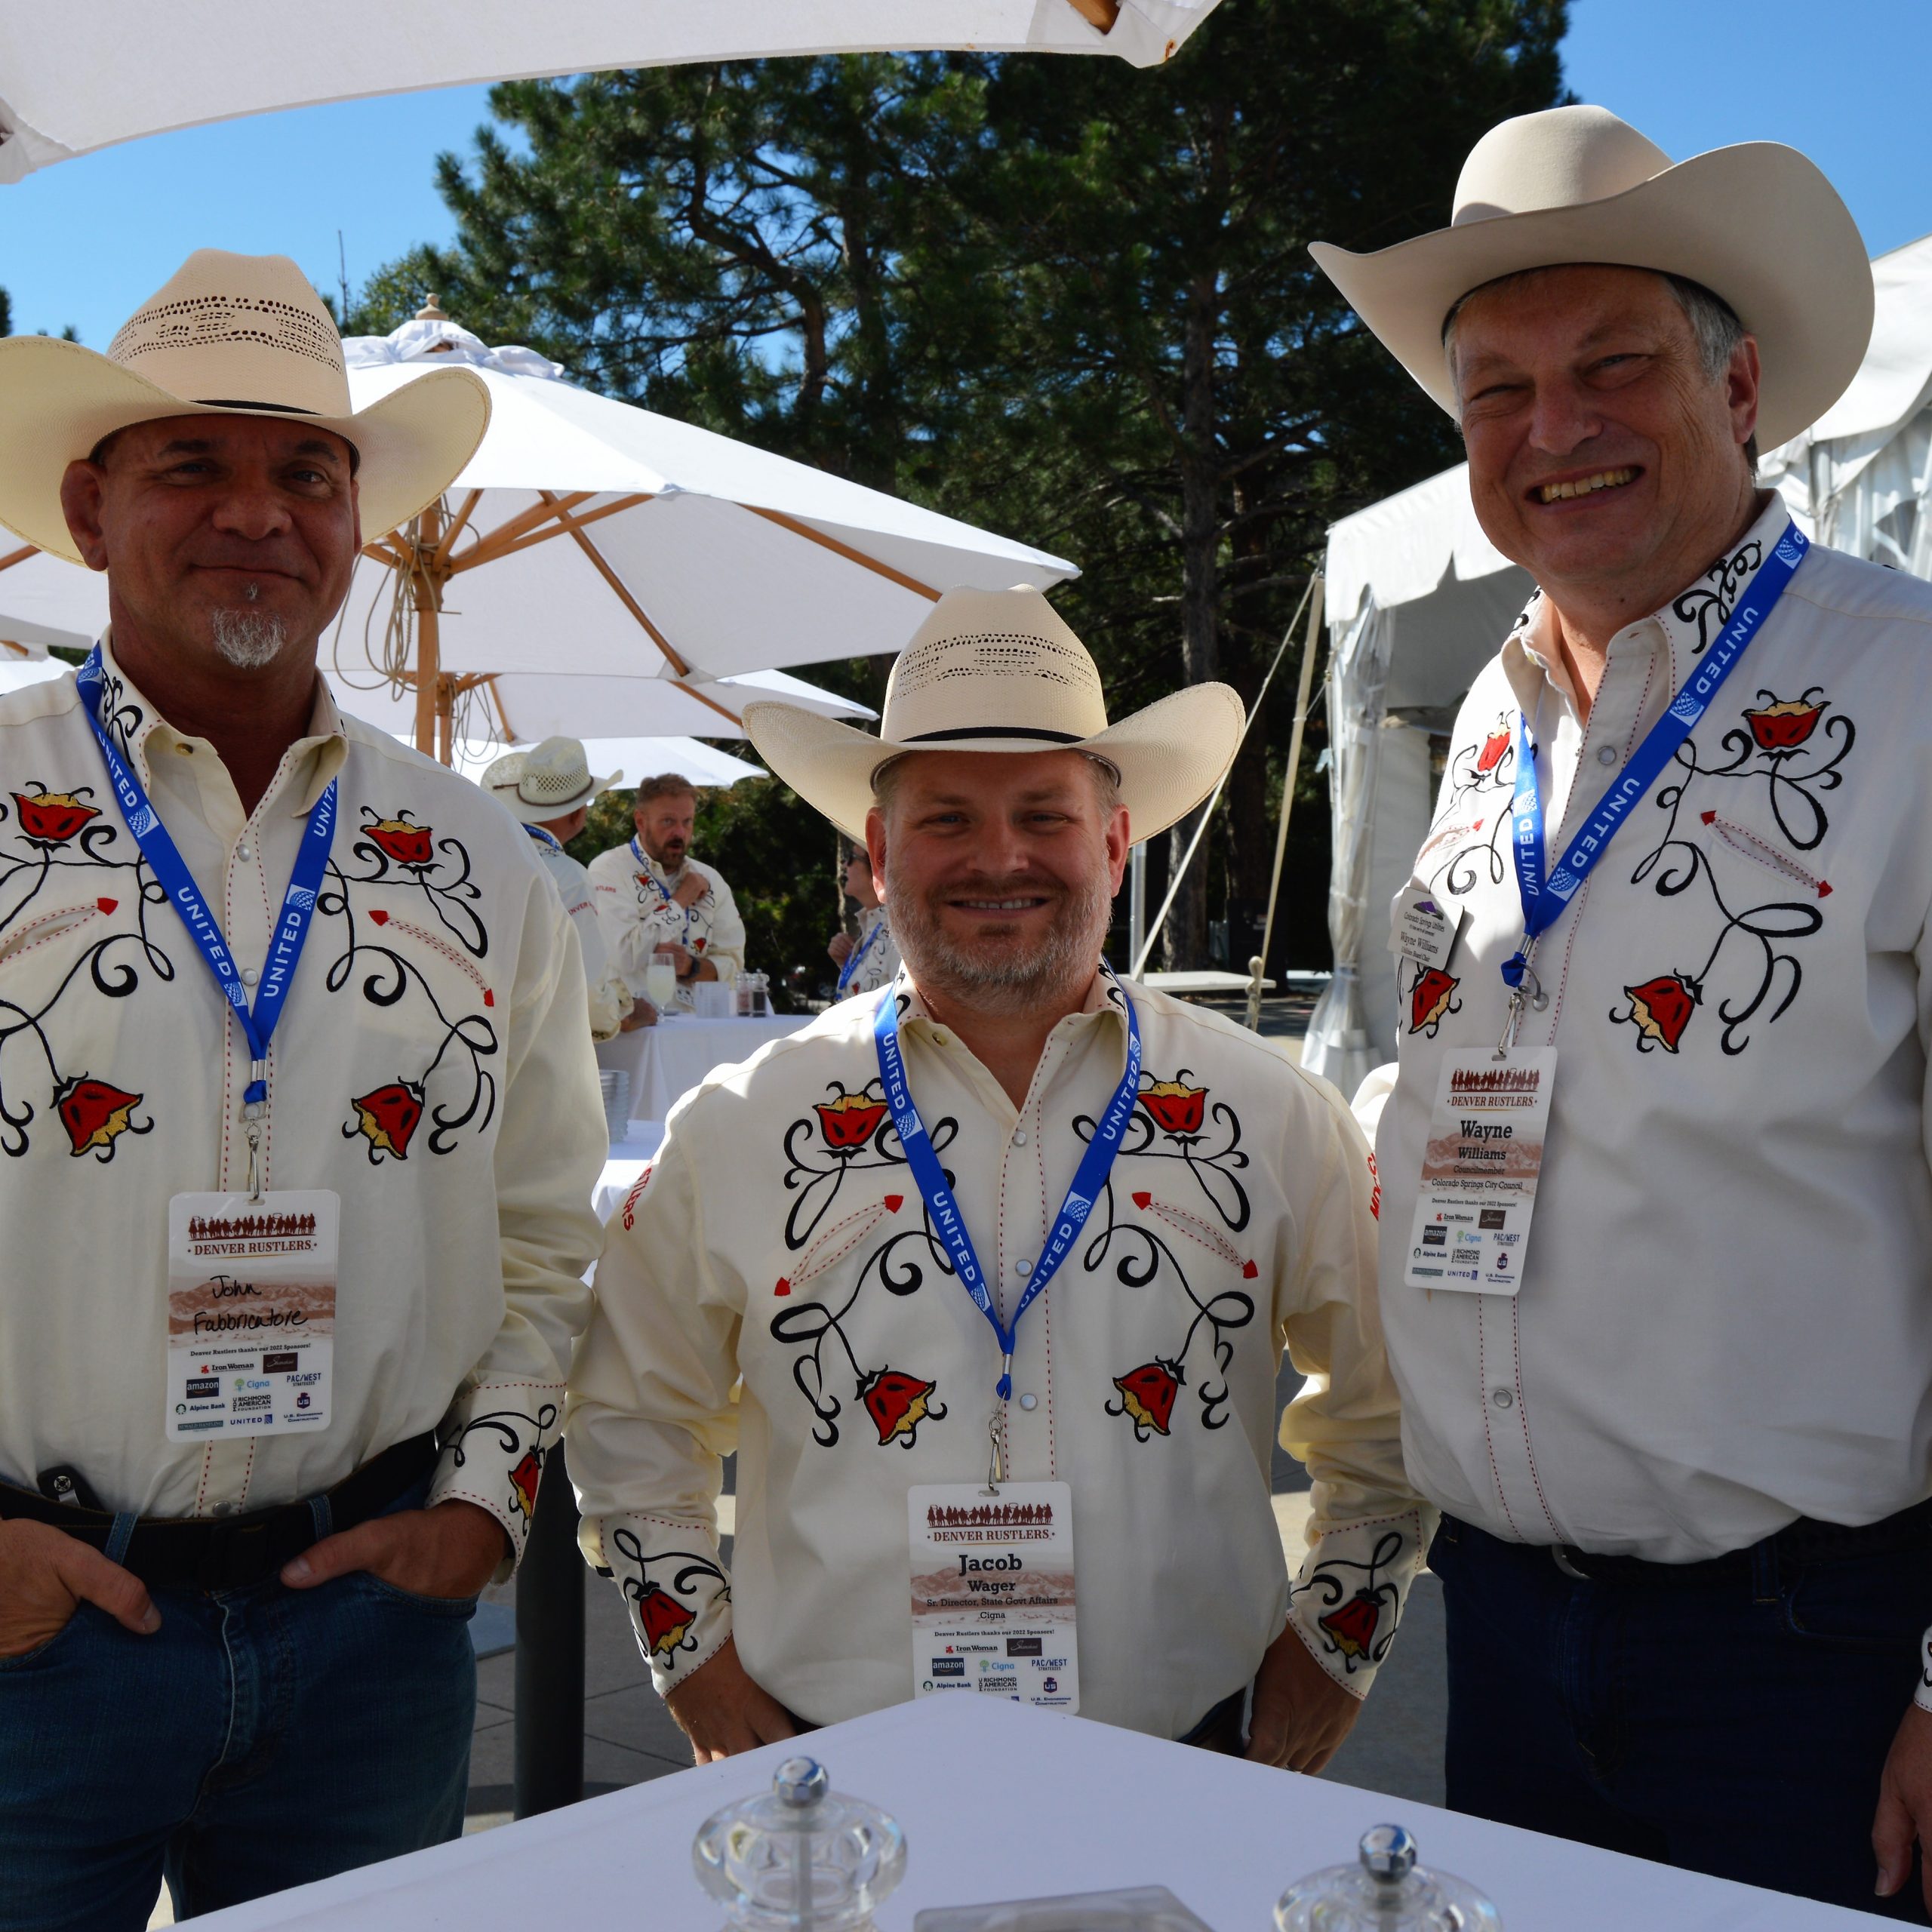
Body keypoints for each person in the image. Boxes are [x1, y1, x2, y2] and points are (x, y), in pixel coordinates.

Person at [1314, 105, 1932, 1916]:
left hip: (1802, 1652)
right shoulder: (1491, 727)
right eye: (1495, 388)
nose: (1551, 428)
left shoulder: (1900, 689)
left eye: (1610, 365)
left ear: (1736, 386)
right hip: (1500, 1629)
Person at [567, 586, 1430, 1766]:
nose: (1001, 859)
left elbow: (1389, 1416)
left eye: (1043, 814)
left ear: (1117, 844)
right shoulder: (743, 1122)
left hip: (1189, 1759)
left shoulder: (1272, 1114)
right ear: (878, 856)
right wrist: (694, 1669)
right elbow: (627, 1416)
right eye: (947, 821)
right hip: (837, 1775)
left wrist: (1336, 1652)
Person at [0, 251, 607, 1930]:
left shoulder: (478, 857)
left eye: (306, 471)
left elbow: (549, 1236)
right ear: (89, 501)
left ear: (352, 520)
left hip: (370, 1634)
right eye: (192, 463)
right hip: (33, 1631)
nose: (256, 512)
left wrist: (482, 1506)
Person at [484, 738, 632, 1041]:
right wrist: (619, 1014)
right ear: (578, 815)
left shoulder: (486, 855)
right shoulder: (568, 876)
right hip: (539, 1047)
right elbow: (587, 987)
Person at [586, 773, 746, 1021]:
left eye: (687, 822)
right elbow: (625, 955)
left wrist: (691, 966)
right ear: (641, 821)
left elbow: (734, 964)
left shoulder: (710, 879)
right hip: (636, 1030)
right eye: (668, 822)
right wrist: (681, 900)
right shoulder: (609, 870)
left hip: (698, 1028)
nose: (680, 833)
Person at [828, 843, 900, 999]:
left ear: (877, 871)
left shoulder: (899, 934)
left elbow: (900, 1006)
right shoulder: (875, 925)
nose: (845, 865)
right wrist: (845, 963)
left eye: (852, 858)